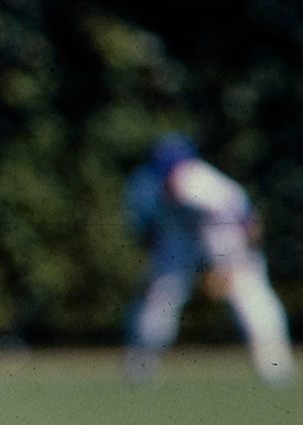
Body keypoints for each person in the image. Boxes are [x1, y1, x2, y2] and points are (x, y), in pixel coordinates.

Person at [123, 133, 295, 387]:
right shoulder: (147, 184)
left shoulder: (202, 183)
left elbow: (246, 222)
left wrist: (230, 265)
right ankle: (140, 364)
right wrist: (156, 264)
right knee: (160, 296)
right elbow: (147, 231)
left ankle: (275, 365)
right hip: (180, 238)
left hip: (222, 235)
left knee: (251, 295)